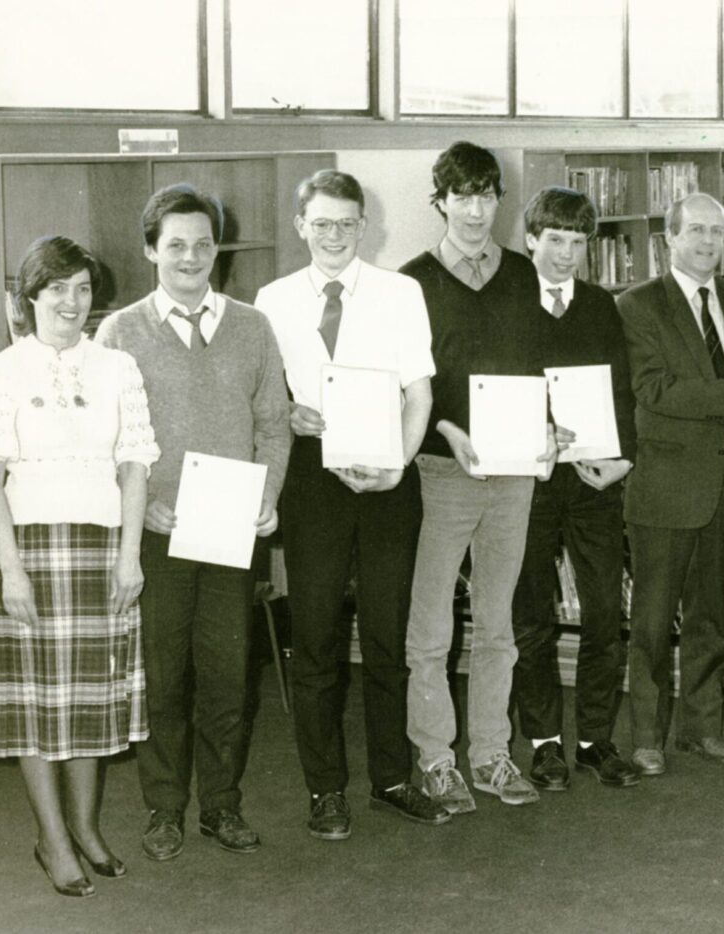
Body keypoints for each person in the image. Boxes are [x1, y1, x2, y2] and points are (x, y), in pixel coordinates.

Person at [97, 184, 291, 860]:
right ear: (152, 250)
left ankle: (221, 806)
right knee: (164, 675)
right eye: (175, 244)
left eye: (203, 244)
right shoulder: (118, 332)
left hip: (232, 531)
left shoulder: (252, 326)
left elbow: (275, 424)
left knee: (227, 673)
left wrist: (267, 496)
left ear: (217, 251)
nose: (190, 256)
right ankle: (163, 810)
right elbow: (106, 440)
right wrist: (139, 502)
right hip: (157, 534)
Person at [254, 169, 448, 839]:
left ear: (366, 226)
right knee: (315, 640)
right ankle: (324, 790)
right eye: (322, 223)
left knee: (390, 638)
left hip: (389, 475)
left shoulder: (401, 292)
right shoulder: (271, 299)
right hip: (314, 480)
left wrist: (396, 464)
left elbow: (419, 394)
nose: (334, 236)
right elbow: (263, 399)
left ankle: (392, 779)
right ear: (301, 225)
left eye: (346, 223)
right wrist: (286, 412)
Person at [0, 237, 159, 896]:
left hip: (103, 551)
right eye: (57, 290)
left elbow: (135, 465)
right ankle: (52, 840)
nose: (72, 303)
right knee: (36, 707)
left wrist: (130, 555)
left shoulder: (118, 367)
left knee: (90, 701)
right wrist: (12, 570)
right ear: (31, 298)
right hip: (30, 554)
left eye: (82, 290)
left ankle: (85, 826)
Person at [398, 142, 549, 812]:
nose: (476, 209)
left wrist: (550, 426)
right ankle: (435, 760)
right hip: (441, 473)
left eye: (488, 195)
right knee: (430, 631)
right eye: (462, 195)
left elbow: (537, 370)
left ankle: (490, 755)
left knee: (497, 628)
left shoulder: (523, 275)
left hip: (514, 475)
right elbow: (401, 391)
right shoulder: (411, 283)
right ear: (441, 201)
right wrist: (443, 433)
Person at [617, 191, 724, 776]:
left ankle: (703, 729)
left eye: (718, 231)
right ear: (670, 237)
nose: (709, 242)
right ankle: (646, 737)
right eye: (697, 231)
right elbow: (652, 388)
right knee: (653, 622)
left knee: (713, 617)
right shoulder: (637, 305)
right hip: (665, 485)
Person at [509, 186, 641, 791]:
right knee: (530, 617)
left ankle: (593, 739)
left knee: (605, 614)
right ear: (531, 238)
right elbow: (488, 389)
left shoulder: (600, 305)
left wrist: (625, 459)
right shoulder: (507, 301)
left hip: (593, 481)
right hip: (529, 482)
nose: (565, 255)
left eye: (578, 242)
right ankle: (541, 743)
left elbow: (624, 394)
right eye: (554, 240)